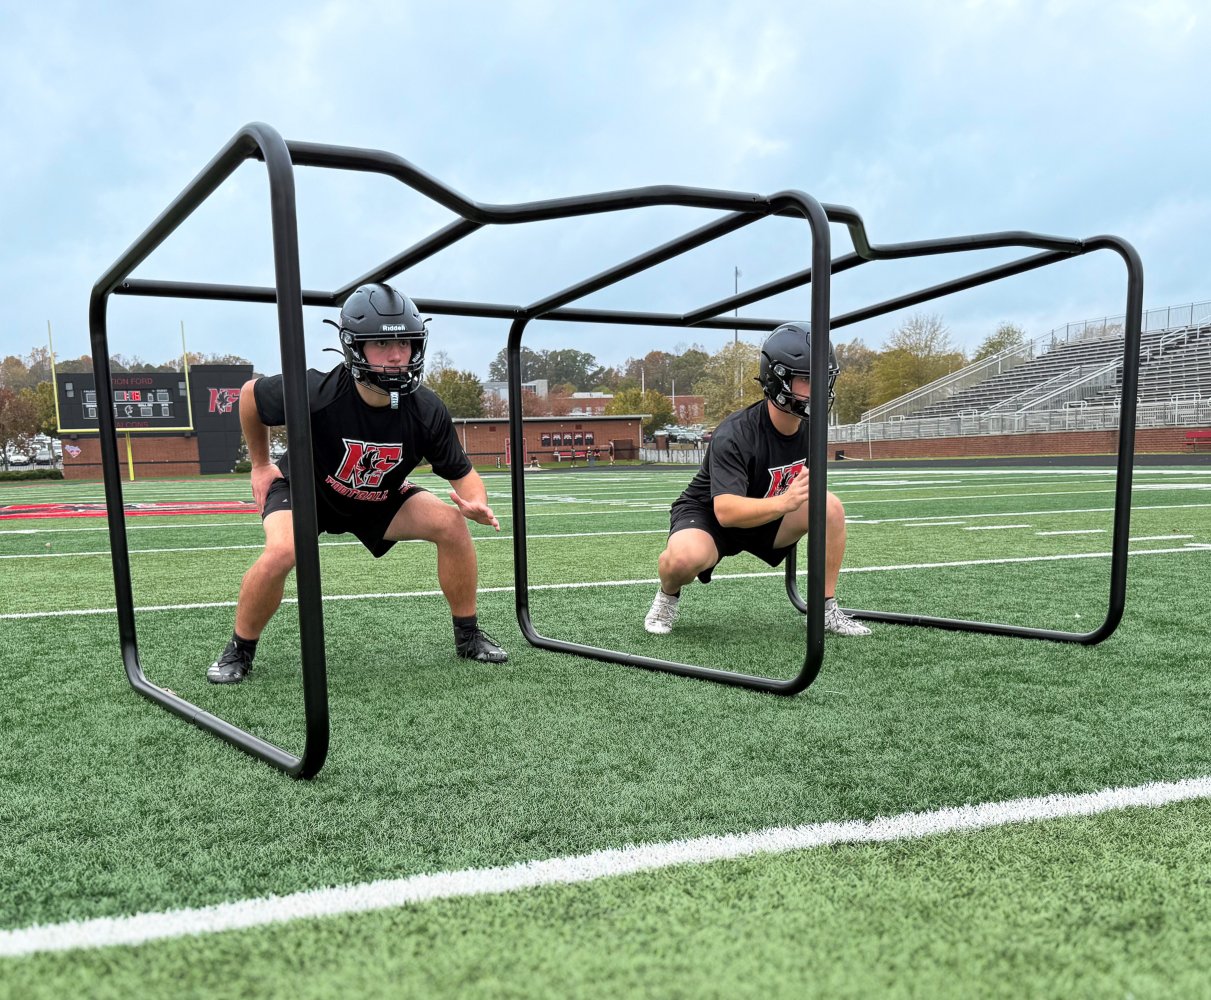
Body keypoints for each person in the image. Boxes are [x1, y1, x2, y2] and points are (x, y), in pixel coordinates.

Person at [208, 282, 507, 684]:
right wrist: (260, 465)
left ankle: (468, 636)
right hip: (305, 490)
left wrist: (475, 503)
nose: (398, 355)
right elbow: (249, 396)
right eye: (382, 344)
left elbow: (464, 475)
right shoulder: (316, 392)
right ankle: (239, 649)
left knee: (451, 524)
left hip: (377, 498)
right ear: (354, 347)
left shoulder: (426, 409)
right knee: (283, 552)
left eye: (406, 344)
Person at [644, 322, 870, 637]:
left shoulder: (811, 429)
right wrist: (785, 502)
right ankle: (667, 596)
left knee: (829, 507)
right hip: (711, 517)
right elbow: (725, 511)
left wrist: (785, 504)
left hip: (769, 514)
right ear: (777, 379)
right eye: (807, 379)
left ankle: (825, 610)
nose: (818, 390)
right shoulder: (735, 433)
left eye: (823, 379)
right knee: (683, 559)